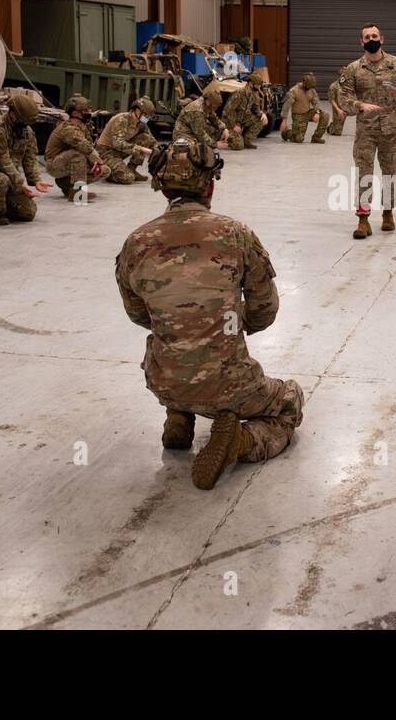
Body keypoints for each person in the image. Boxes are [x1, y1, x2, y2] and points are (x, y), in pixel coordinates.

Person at [115, 136, 305, 489]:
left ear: (161, 188)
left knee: (169, 335)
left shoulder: (135, 242)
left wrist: (186, 322)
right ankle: (240, 442)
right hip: (229, 386)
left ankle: (179, 414)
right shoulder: (236, 234)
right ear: (210, 186)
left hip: (164, 381)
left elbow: (139, 314)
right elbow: (265, 310)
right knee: (290, 400)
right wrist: (229, 323)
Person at [337, 23, 396, 238]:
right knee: (365, 174)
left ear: (382, 39)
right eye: (366, 36)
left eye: (374, 35)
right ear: (361, 42)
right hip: (366, 130)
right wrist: (359, 105)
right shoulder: (352, 69)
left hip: (391, 129)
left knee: (390, 172)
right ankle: (363, 220)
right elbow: (343, 98)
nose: (371, 39)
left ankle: (388, 213)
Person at [0, 93, 51, 226]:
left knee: (28, 213)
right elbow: (4, 162)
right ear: (12, 114)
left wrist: (36, 180)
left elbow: (30, 157)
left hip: (11, 177)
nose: (25, 125)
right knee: (1, 180)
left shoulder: (26, 131)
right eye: (23, 121)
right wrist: (21, 184)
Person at [45, 96, 107, 202]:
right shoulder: (68, 128)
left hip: (66, 161)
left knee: (105, 170)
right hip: (54, 164)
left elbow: (90, 146)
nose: (89, 113)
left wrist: (97, 164)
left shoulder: (81, 126)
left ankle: (66, 184)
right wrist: (98, 162)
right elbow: (84, 147)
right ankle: (78, 192)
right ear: (74, 113)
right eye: (85, 111)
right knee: (78, 154)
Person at [96, 97, 158, 183]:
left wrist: (159, 150)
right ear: (137, 111)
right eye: (146, 114)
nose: (147, 118)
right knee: (128, 178)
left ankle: (132, 169)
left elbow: (150, 138)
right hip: (106, 153)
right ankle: (107, 170)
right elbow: (118, 143)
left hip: (118, 151)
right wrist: (141, 149)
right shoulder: (121, 119)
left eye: (149, 115)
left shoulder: (141, 121)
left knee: (145, 138)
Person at [174, 84, 229, 149]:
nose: (215, 109)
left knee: (227, 137)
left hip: (196, 130)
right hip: (184, 134)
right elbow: (200, 134)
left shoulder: (206, 105)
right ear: (208, 101)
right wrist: (215, 144)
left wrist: (224, 128)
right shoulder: (197, 111)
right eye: (214, 106)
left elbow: (214, 118)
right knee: (193, 148)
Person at [280, 73, 328, 144]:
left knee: (325, 114)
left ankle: (316, 137)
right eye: (308, 87)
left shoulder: (311, 90)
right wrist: (284, 121)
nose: (309, 89)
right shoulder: (294, 91)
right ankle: (286, 133)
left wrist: (317, 112)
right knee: (298, 139)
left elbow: (316, 101)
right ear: (304, 82)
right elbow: (287, 106)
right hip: (298, 116)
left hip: (308, 112)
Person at [222, 79, 267, 151]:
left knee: (261, 120)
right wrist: (234, 125)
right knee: (238, 145)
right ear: (250, 84)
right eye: (257, 85)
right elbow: (227, 111)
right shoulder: (238, 93)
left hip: (242, 120)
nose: (259, 87)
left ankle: (246, 140)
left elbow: (256, 109)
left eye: (259, 85)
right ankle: (229, 136)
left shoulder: (254, 94)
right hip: (230, 122)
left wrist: (263, 114)